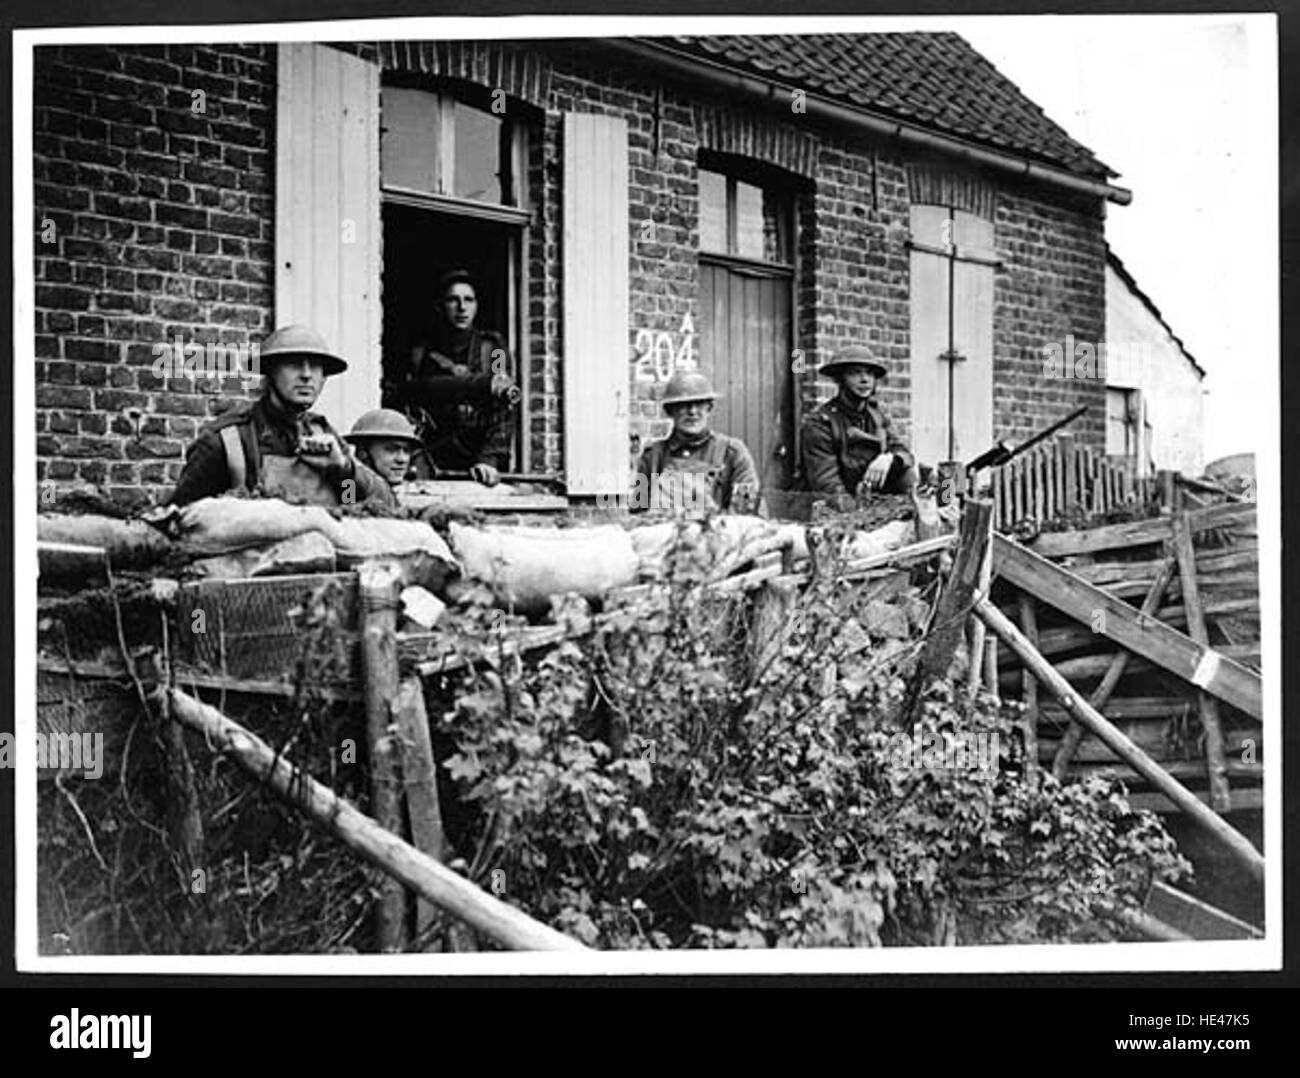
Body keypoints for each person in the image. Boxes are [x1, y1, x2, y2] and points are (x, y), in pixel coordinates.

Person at [169, 324, 393, 509]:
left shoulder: (324, 434)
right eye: (295, 364)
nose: (306, 375)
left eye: (315, 367)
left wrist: (343, 471)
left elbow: (352, 503)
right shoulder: (227, 441)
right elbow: (185, 517)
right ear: (271, 371)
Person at [388, 269, 517, 487]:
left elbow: (503, 408)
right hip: (431, 458)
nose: (462, 307)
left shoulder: (493, 350)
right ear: (440, 306)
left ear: (477, 306)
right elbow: (404, 403)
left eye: (469, 300)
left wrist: (489, 459)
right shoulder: (421, 353)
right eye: (453, 300)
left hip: (479, 461)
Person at [802, 346, 917, 506]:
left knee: (907, 475)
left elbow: (905, 454)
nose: (864, 379)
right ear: (840, 379)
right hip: (837, 506)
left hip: (875, 498)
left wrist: (890, 458)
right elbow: (827, 485)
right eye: (855, 373)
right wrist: (858, 516)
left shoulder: (878, 416)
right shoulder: (821, 423)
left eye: (869, 373)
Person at [633, 370, 761, 515]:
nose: (693, 412)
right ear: (670, 411)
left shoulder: (733, 453)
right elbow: (638, 511)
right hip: (665, 535)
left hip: (716, 535)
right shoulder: (652, 456)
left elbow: (745, 511)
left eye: (699, 404)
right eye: (683, 405)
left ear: (709, 408)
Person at [343, 409, 423, 500]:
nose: (402, 459)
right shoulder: (348, 488)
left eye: (406, 451)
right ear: (363, 452)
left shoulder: (390, 495)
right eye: (392, 450)